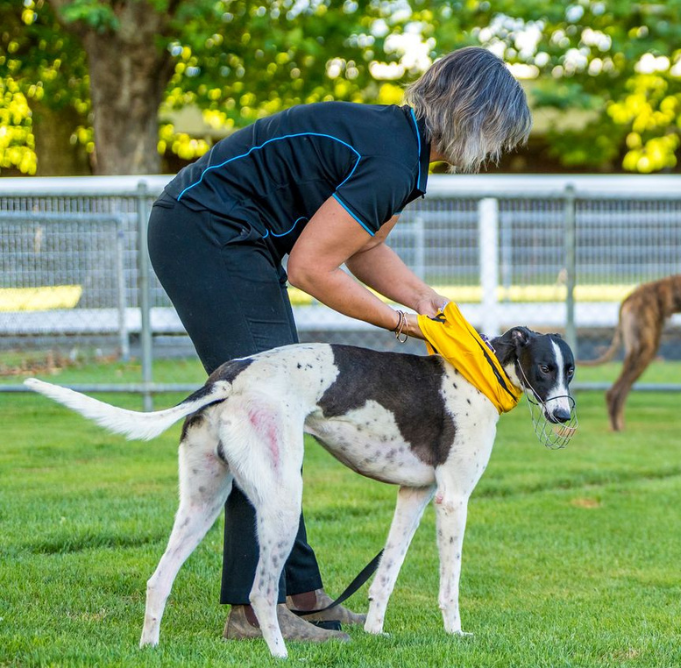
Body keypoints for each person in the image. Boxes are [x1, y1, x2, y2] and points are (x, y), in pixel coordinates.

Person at [146, 47, 531, 642]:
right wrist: (402, 325)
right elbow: (311, 269)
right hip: (207, 233)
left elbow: (363, 247)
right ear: (474, 114)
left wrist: (422, 299)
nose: (493, 148)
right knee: (265, 411)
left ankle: (302, 596)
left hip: (232, 239)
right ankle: (255, 612)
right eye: (497, 132)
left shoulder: (400, 147)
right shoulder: (393, 162)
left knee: (278, 412)